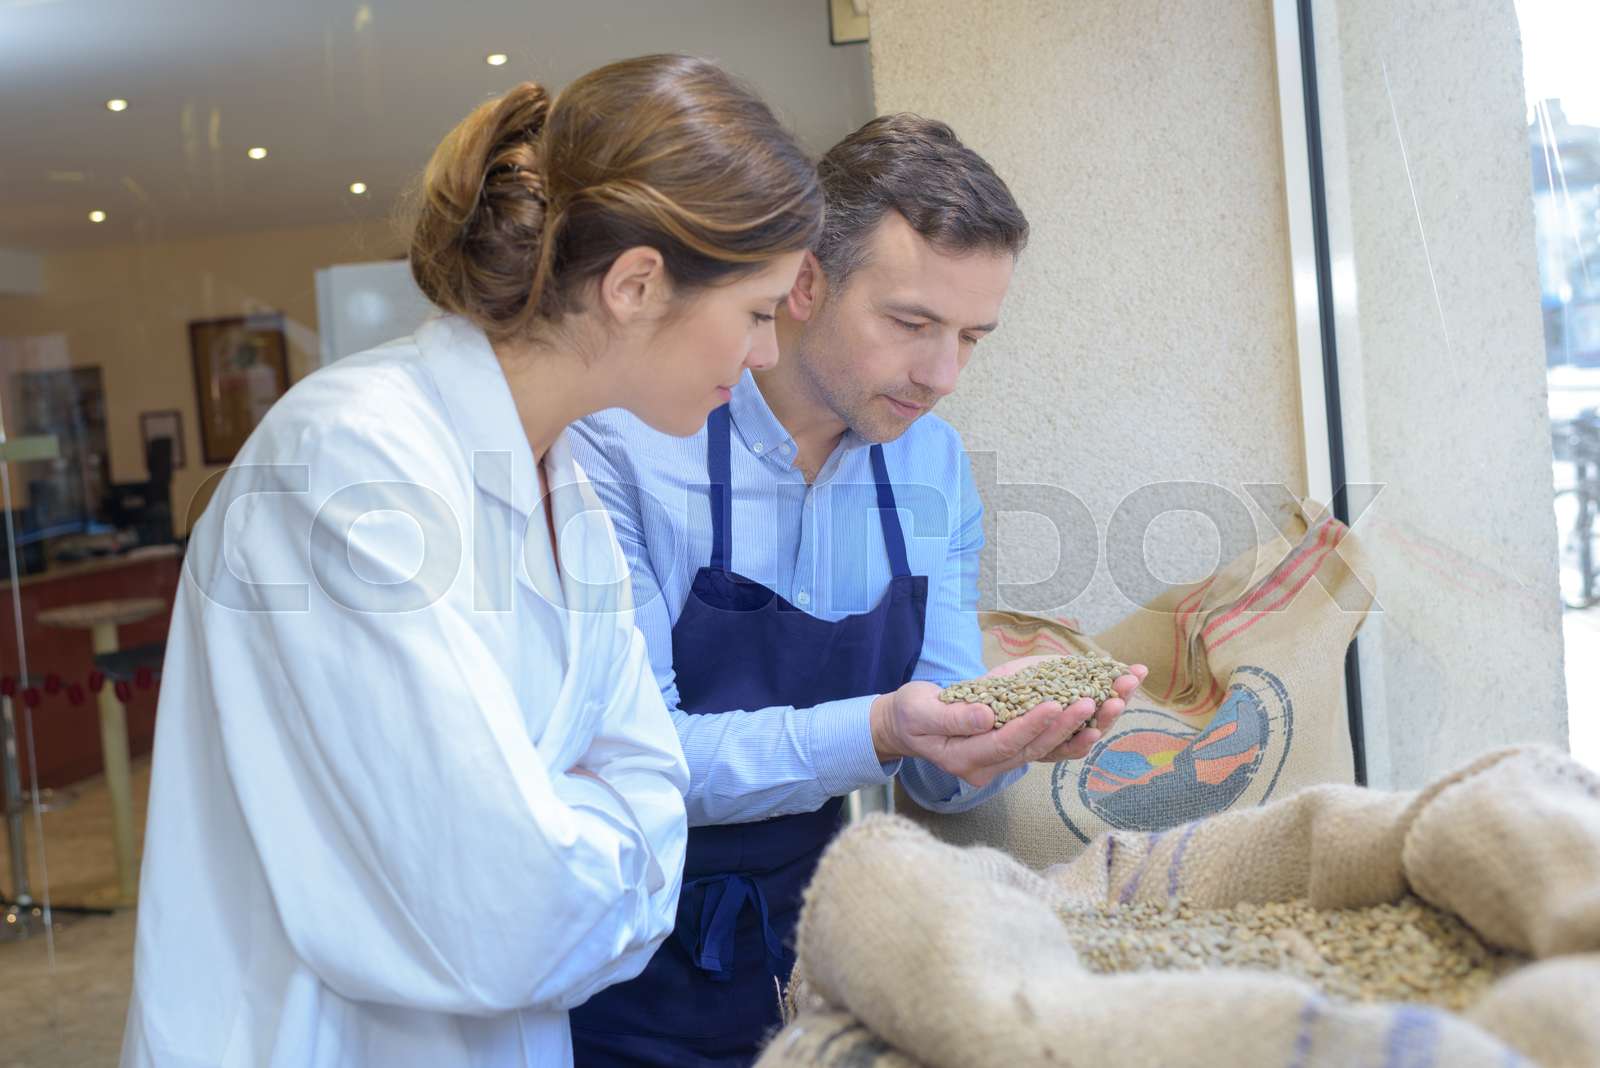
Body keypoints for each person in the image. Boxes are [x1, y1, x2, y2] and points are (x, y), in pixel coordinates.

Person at [121, 55, 830, 1068]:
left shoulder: (566, 477)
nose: (765, 355)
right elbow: (510, 916)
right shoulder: (346, 468)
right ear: (636, 284)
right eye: (758, 312)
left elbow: (649, 775)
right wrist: (590, 824)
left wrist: (572, 820)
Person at [568, 115, 1148, 1066]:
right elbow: (641, 757)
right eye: (913, 325)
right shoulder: (624, 446)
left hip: (826, 962)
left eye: (972, 337)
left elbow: (937, 777)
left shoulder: (934, 465)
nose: (944, 375)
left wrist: (1006, 739)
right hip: (622, 967)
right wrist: (880, 729)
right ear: (803, 281)